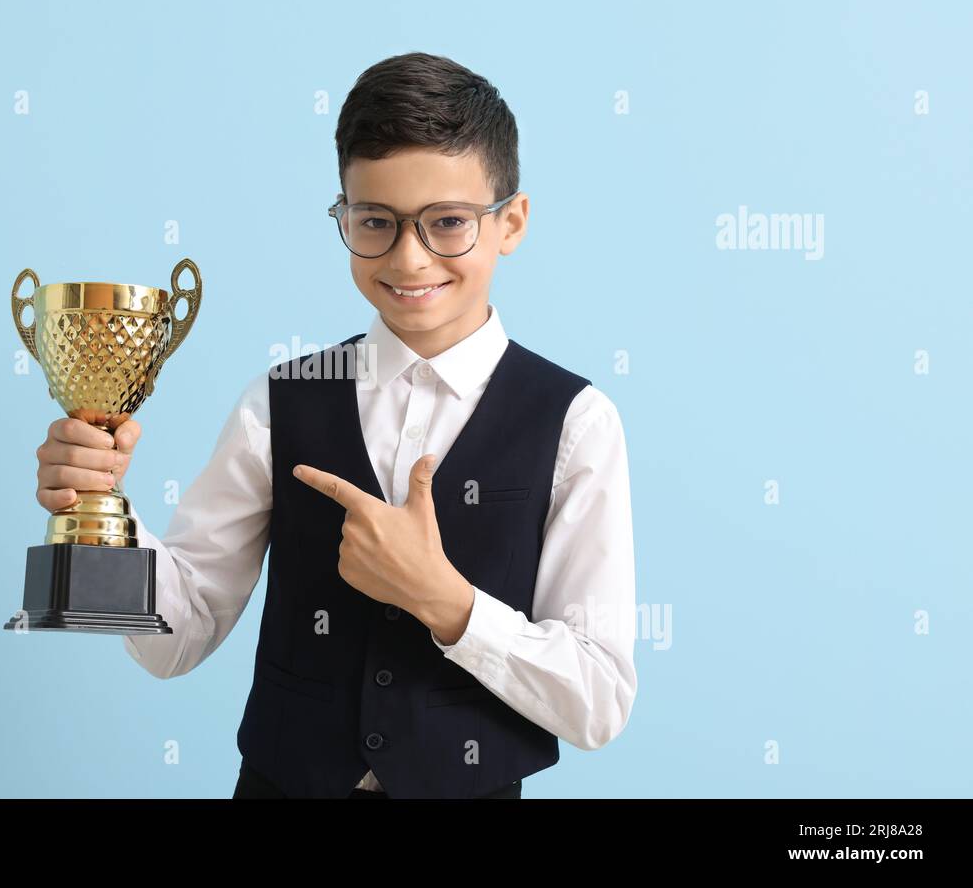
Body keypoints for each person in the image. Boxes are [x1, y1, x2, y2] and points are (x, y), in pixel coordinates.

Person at [34, 52, 637, 799]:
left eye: (447, 222)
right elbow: (176, 640)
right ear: (344, 214)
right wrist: (102, 519)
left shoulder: (576, 421)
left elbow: (600, 700)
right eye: (375, 222)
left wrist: (447, 603)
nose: (409, 258)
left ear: (509, 222)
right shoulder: (281, 401)